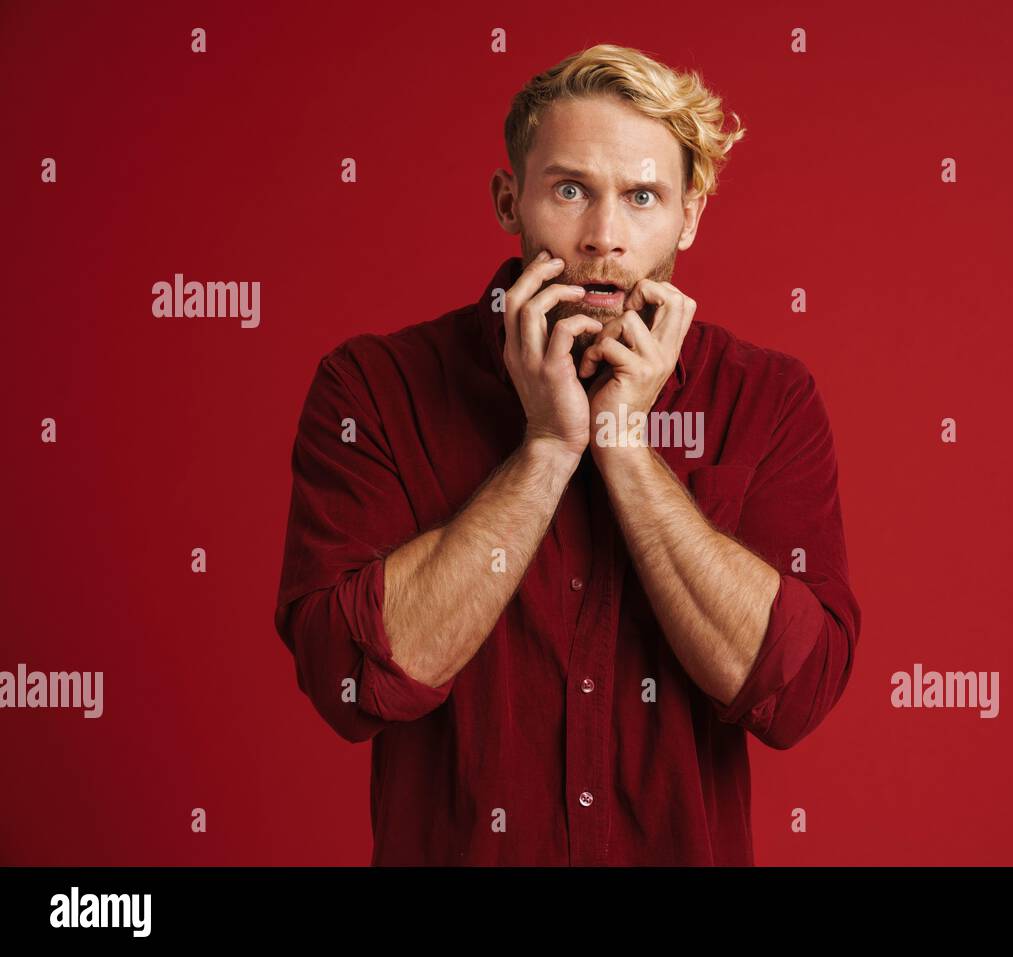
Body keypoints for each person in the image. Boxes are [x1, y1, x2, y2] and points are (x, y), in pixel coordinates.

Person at [273, 43, 861, 865]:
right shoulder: (373, 387)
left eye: (644, 196)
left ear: (689, 214)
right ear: (510, 200)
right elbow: (350, 681)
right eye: (571, 190)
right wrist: (548, 448)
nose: (603, 239)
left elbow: (793, 693)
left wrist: (622, 446)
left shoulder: (768, 399)